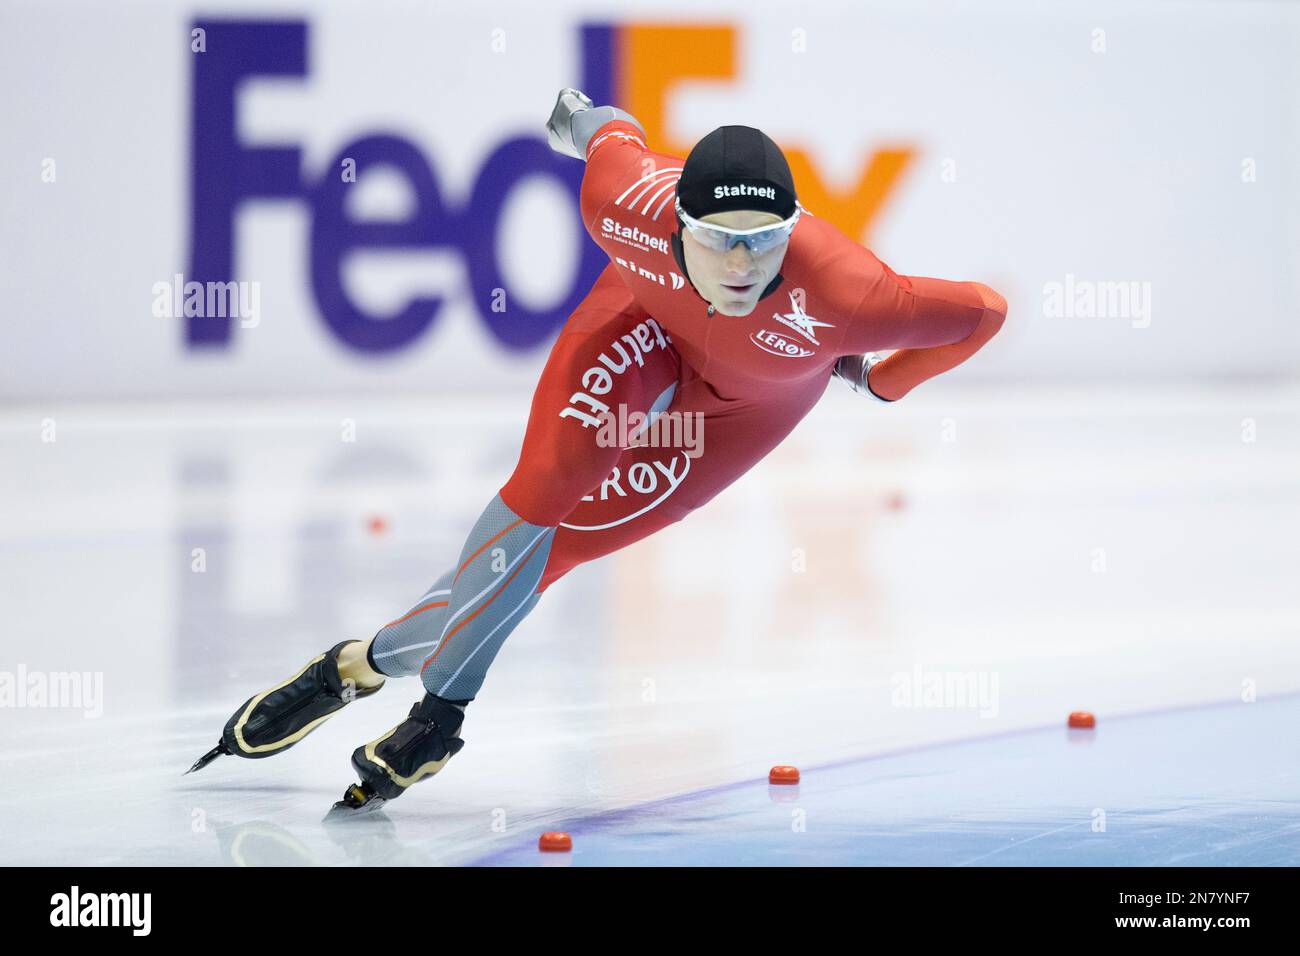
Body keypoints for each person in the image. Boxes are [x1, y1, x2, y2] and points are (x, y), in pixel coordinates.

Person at [188, 89, 1009, 815]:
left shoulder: (849, 292)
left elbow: (984, 312)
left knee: (546, 557)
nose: (739, 265)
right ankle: (439, 718)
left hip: (738, 414)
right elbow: (607, 131)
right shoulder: (622, 201)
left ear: (791, 232)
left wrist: (882, 382)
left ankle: (352, 668)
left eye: (763, 243)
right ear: (674, 225)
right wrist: (576, 115)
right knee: (548, 488)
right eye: (716, 239)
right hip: (642, 327)